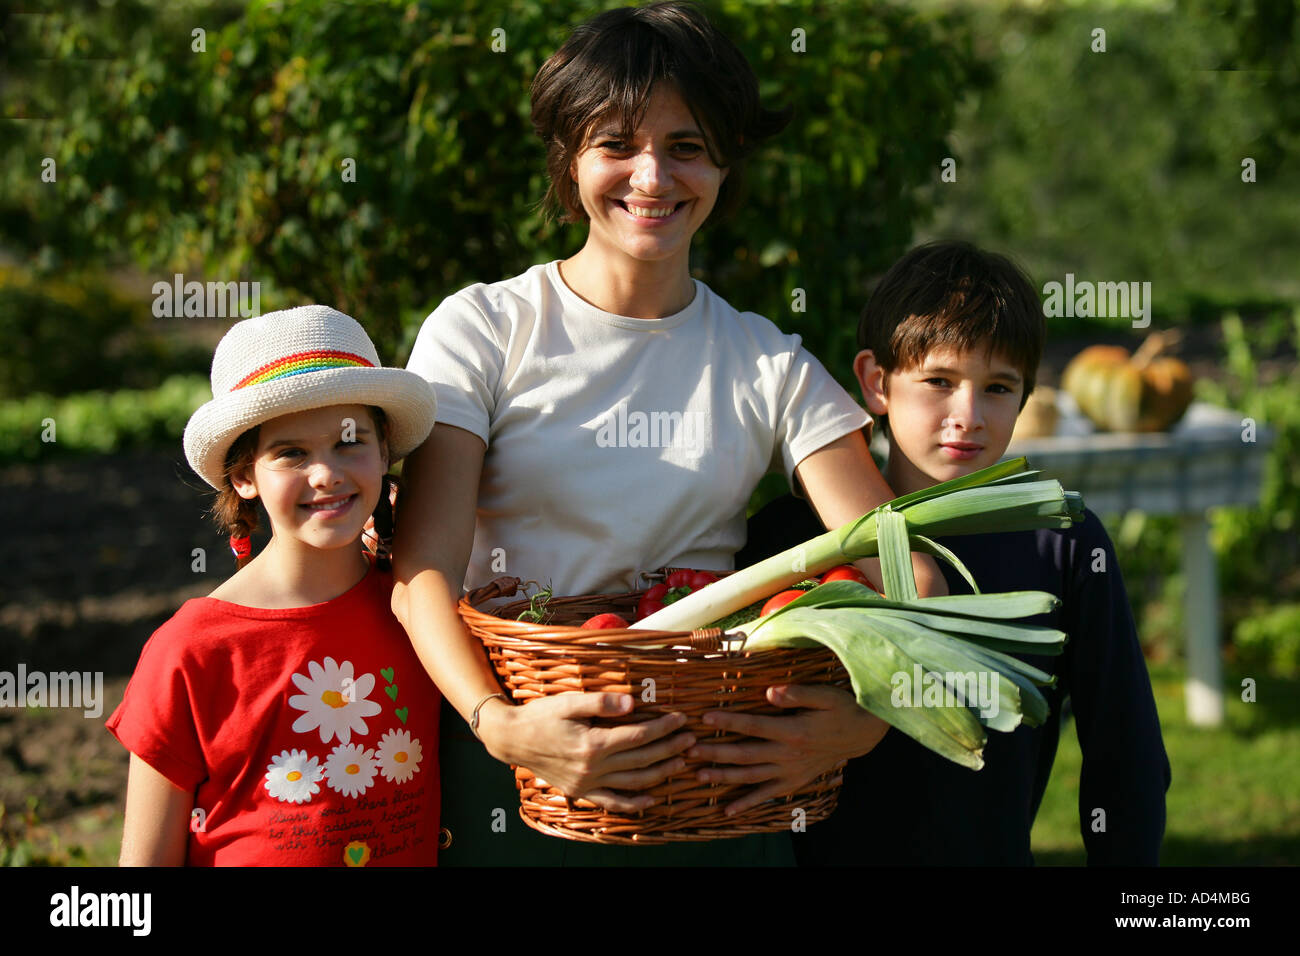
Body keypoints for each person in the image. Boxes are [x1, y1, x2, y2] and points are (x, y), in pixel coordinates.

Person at [393, 1, 945, 866]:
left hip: (715, 796)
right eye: (616, 143)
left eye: (686, 147)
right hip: (520, 783)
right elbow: (421, 571)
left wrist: (865, 723)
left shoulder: (767, 363)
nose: (651, 177)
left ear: (723, 167)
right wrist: (501, 728)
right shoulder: (484, 330)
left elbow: (909, 573)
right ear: (570, 159)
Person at [739, 240, 1172, 864]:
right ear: (875, 381)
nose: (967, 414)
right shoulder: (788, 539)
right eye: (939, 381)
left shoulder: (1064, 542)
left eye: (998, 387)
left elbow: (1124, 749)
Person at [107, 305, 443, 866]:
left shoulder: (420, 610)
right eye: (291, 453)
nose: (326, 473)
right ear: (243, 476)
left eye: (349, 441)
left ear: (384, 450)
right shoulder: (191, 650)